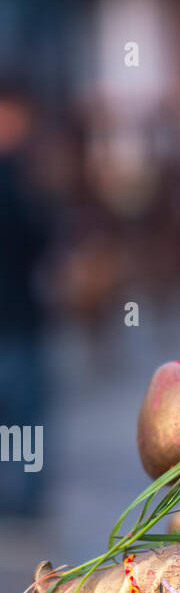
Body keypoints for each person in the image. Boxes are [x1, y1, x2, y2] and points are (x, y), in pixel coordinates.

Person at [0, 81, 49, 521]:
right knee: (23, 414)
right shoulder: (13, 175)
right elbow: (38, 235)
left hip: (18, 317)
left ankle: (21, 495)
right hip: (15, 319)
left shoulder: (18, 171)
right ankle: (22, 496)